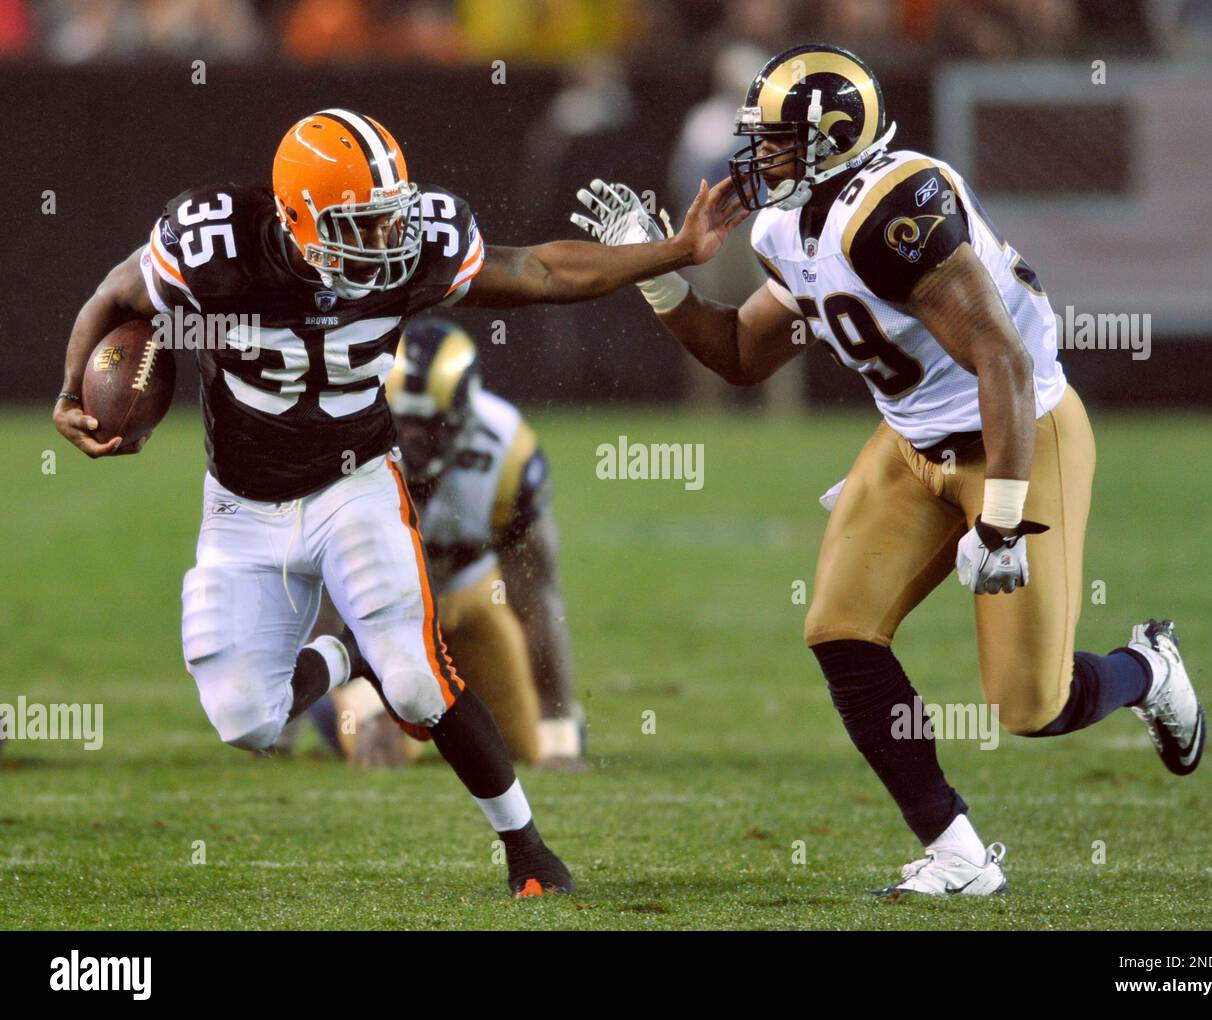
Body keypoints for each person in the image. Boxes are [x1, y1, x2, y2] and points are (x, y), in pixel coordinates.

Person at [571, 45, 1206, 896]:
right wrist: (657, 276)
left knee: (1032, 707)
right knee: (839, 630)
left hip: (1017, 436)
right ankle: (957, 853)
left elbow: (1004, 362)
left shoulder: (893, 209)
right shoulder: (785, 227)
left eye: (779, 140)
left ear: (834, 140)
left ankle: (1148, 670)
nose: (760, 155)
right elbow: (739, 355)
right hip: (911, 444)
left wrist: (1002, 518)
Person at [52, 107, 735, 897]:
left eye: (390, 218)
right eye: (360, 225)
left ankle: (527, 850)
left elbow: (540, 272)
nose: (385, 241)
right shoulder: (216, 247)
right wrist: (73, 394)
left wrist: (676, 251)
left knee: (416, 681)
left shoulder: (415, 248)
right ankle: (350, 652)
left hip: (356, 484)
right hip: (243, 506)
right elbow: (114, 297)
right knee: (248, 721)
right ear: (298, 218)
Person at [310, 315, 582, 768]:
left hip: (471, 598)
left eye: (432, 423)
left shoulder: (509, 454)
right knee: (386, 745)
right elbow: (322, 592)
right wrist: (365, 706)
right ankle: (323, 706)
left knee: (525, 747)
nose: (415, 439)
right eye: (405, 422)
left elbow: (536, 599)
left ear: (465, 416)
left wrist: (559, 737)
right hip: (378, 613)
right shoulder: (349, 448)